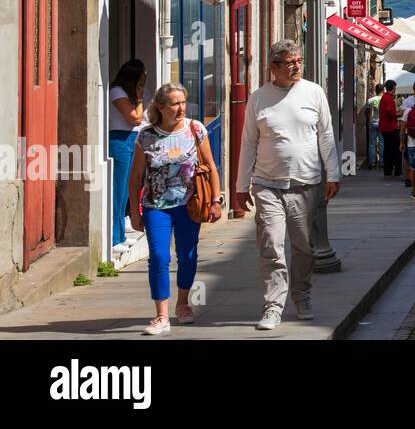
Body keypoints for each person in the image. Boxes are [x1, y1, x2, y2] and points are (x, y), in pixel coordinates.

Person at [236, 40, 340, 332]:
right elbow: (248, 143)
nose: (296, 66)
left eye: (298, 61)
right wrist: (241, 185)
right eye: (290, 62)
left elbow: (326, 136)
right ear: (273, 67)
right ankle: (272, 305)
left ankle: (302, 295)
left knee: (304, 247)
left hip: (306, 183)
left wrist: (333, 174)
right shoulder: (258, 99)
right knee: (271, 243)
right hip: (267, 183)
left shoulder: (314, 92)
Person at [128, 83, 222, 334]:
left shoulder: (195, 129)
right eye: (174, 104)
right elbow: (136, 176)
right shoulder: (146, 135)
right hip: (155, 205)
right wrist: (135, 212)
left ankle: (183, 303)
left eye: (183, 102)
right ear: (161, 107)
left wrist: (216, 201)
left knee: (187, 256)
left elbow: (211, 167)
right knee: (159, 257)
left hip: (189, 204)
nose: (181, 108)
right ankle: (161, 316)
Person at [108, 59, 147, 252]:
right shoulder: (117, 92)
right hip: (120, 140)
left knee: (127, 189)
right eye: (140, 81)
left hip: (131, 139)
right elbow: (135, 118)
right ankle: (114, 238)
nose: (142, 85)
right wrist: (139, 98)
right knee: (119, 190)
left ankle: (121, 233)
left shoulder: (126, 93)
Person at [378, 80, 402, 178]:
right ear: (393, 88)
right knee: (395, 150)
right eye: (395, 87)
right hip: (390, 128)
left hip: (385, 127)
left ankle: (388, 170)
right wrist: (400, 114)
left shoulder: (385, 97)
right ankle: (396, 170)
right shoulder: (388, 98)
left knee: (388, 149)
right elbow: (390, 112)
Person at [363, 87, 383, 169]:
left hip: (372, 123)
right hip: (382, 123)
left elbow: (366, 112)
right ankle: (382, 162)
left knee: (372, 143)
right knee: (382, 143)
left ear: (375, 90)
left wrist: (369, 118)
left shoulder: (370, 100)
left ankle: (371, 163)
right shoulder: (384, 99)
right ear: (382, 90)